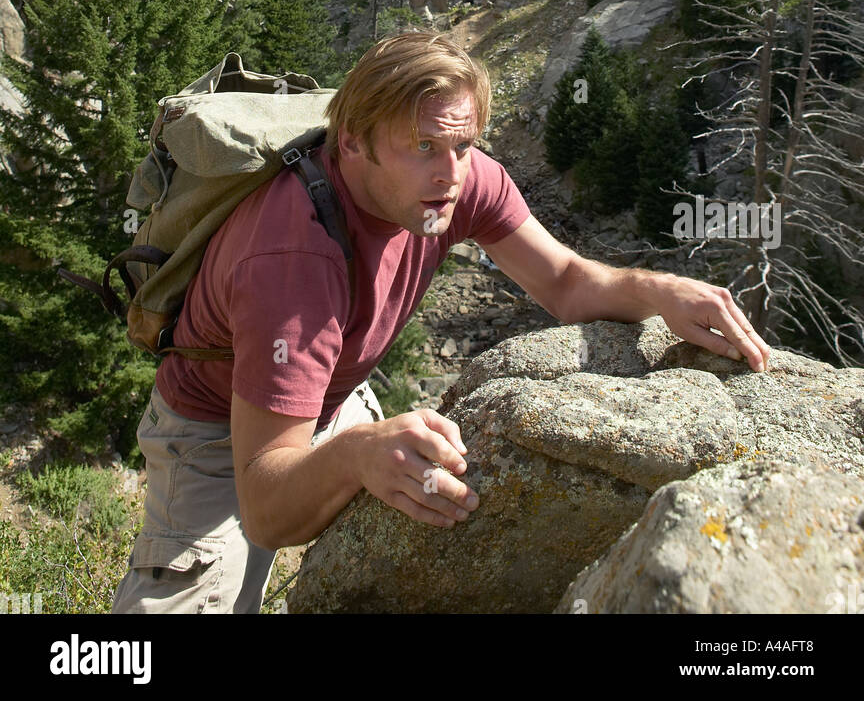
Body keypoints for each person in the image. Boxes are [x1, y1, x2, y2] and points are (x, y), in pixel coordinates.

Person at [112, 30, 771, 614]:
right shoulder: (294, 259)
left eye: (463, 144)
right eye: (422, 145)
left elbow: (566, 284)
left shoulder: (453, 176)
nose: (452, 175)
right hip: (215, 436)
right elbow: (264, 503)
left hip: (332, 397)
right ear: (353, 142)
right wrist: (360, 454)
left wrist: (661, 292)